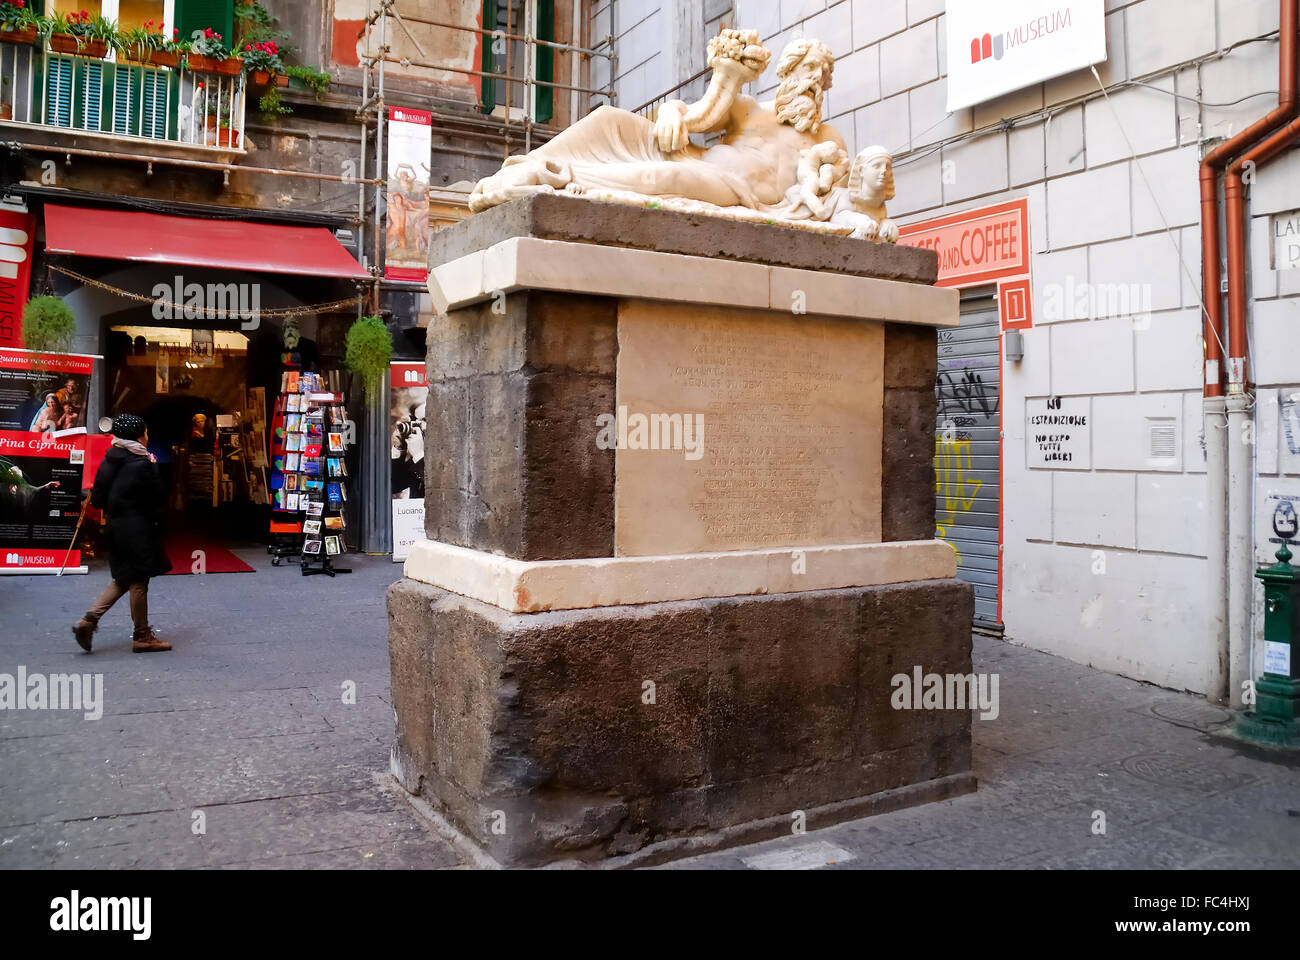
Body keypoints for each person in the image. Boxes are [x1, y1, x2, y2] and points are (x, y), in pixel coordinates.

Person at [72, 414, 173, 654]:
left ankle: (88, 621)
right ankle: (142, 635)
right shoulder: (142, 463)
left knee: (124, 577)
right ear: (138, 436)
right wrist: (154, 466)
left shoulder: (109, 458)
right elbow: (158, 497)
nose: (147, 437)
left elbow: (97, 498)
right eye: (145, 433)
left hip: (115, 527)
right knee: (139, 578)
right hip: (138, 528)